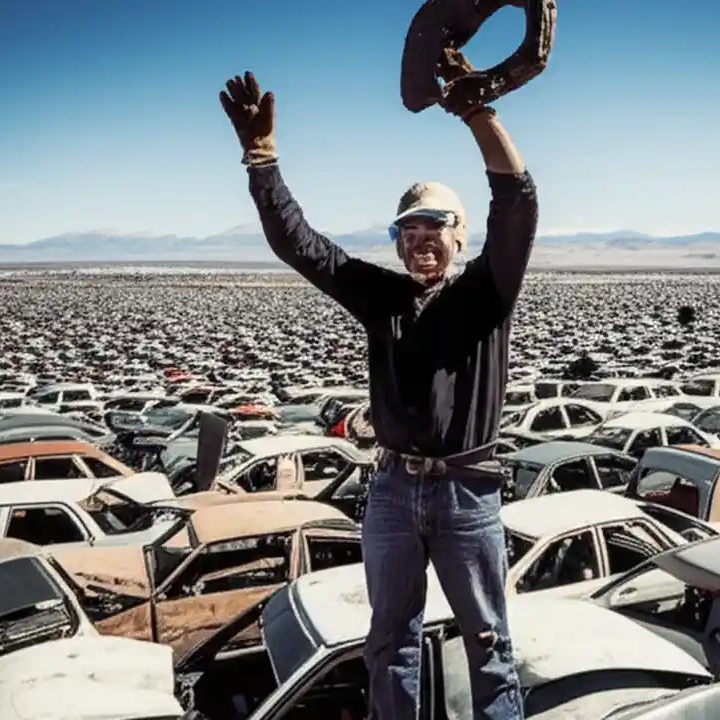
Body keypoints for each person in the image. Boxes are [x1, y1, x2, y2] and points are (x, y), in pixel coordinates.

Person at [220, 71, 536, 720]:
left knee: (488, 646)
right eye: (408, 230)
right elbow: (301, 247)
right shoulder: (382, 299)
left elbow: (519, 202)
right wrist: (262, 162)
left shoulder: (487, 294)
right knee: (389, 643)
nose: (422, 238)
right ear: (398, 242)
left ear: (459, 236)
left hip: (466, 490)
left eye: (435, 226)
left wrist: (478, 114)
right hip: (393, 490)